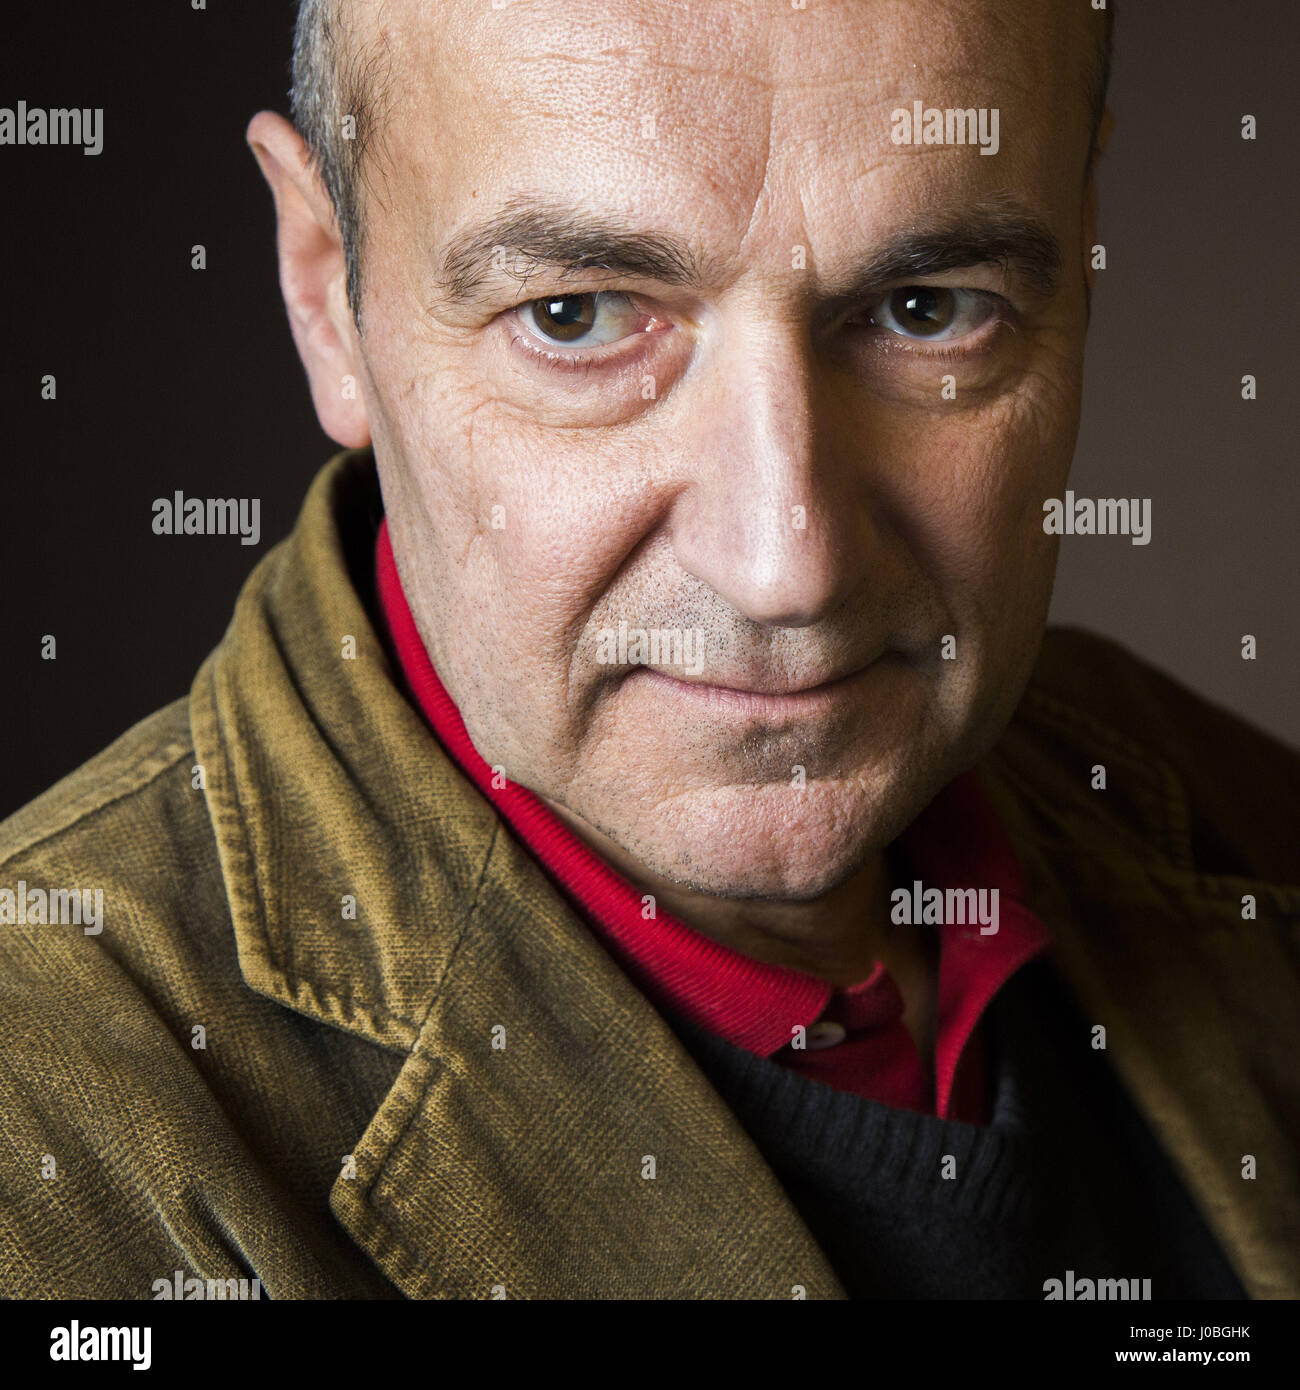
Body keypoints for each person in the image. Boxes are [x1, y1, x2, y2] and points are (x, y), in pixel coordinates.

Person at [1, 0, 1296, 1300]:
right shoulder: (42, 1132)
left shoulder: (1231, 818)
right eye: (577, 315)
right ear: (325, 285)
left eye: (925, 307)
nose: (787, 567)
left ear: (1083, 246)